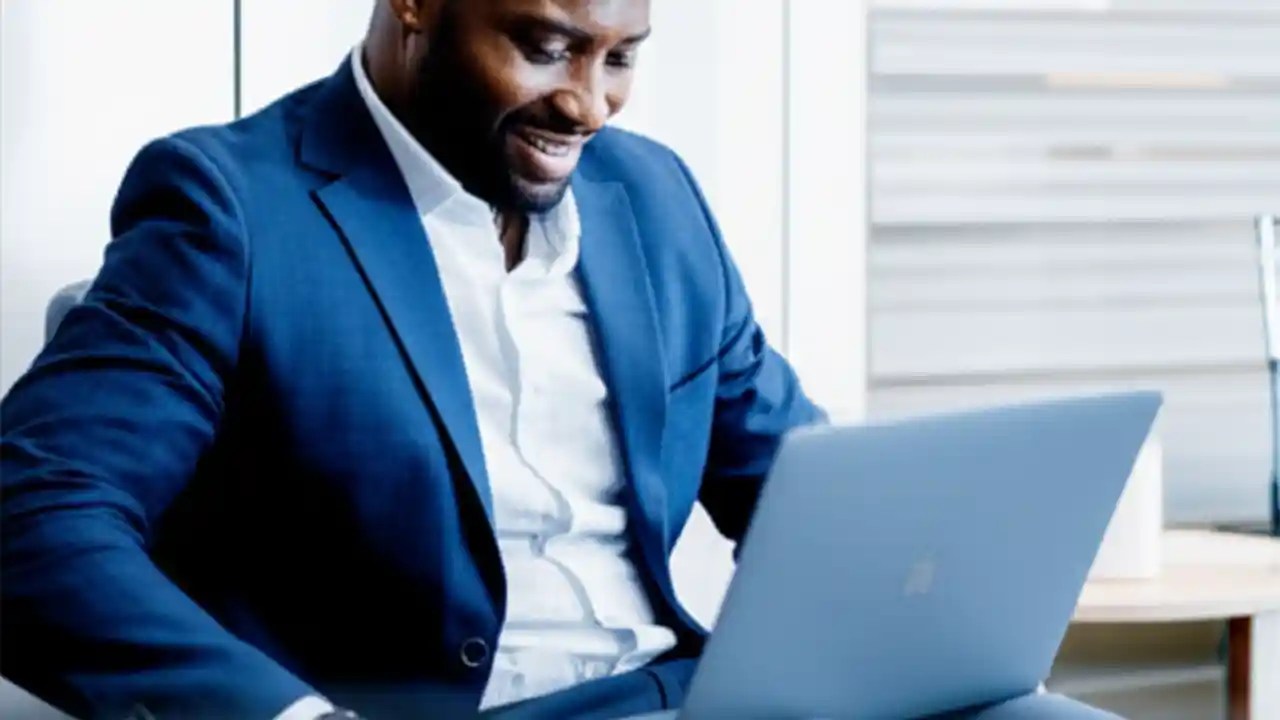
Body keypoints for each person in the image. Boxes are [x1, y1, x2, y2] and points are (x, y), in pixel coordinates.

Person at [0, 2, 1119, 719]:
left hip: (691, 696)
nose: (587, 103)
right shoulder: (233, 205)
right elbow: (32, 515)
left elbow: (798, 486)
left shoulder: (654, 198)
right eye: (543, 49)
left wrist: (922, 599)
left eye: (621, 56)